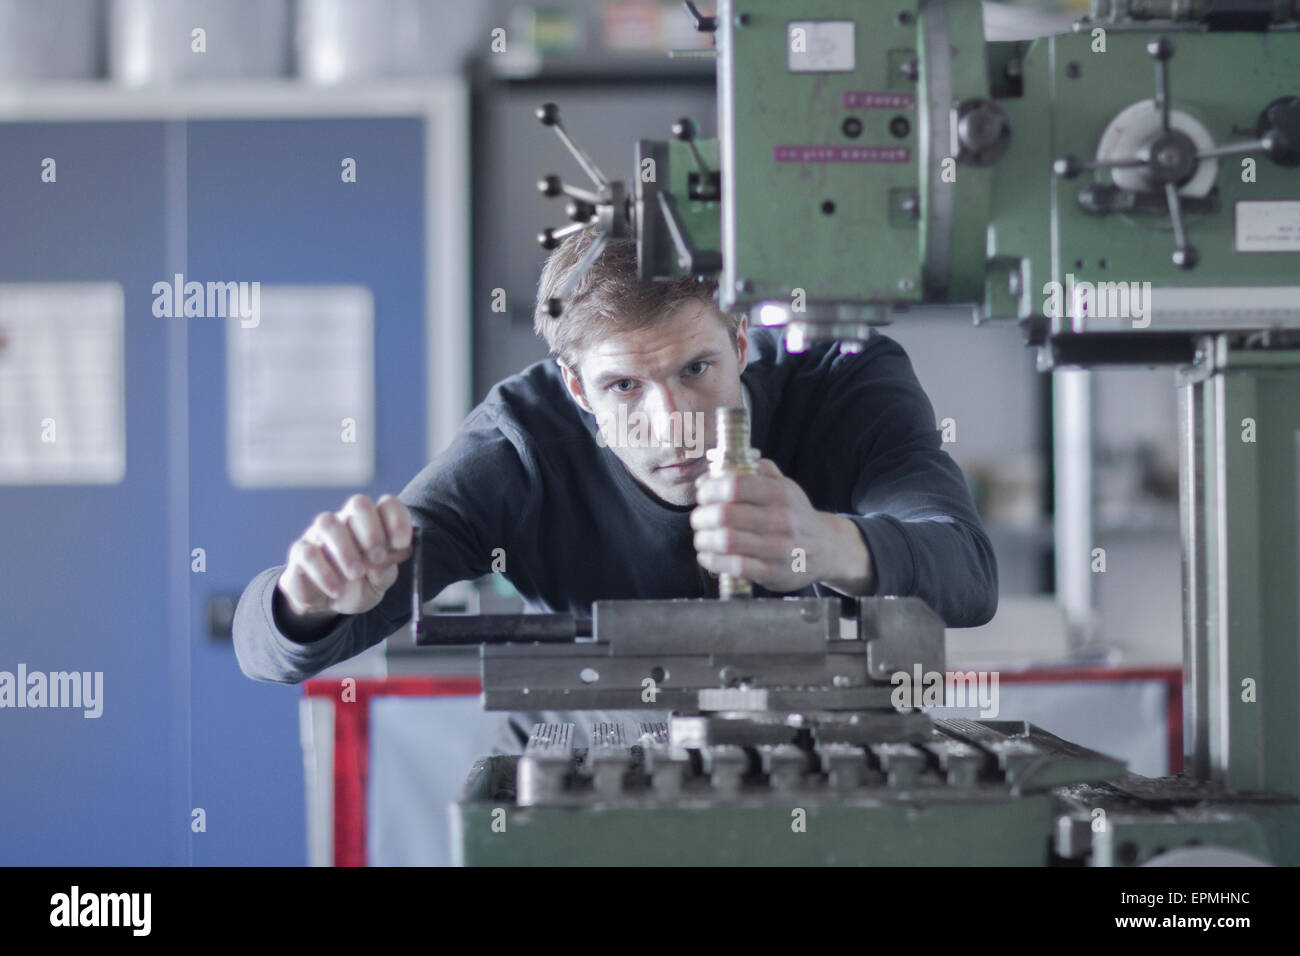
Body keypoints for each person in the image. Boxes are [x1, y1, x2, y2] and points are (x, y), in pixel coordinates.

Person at [232, 231, 998, 751]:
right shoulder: (521, 447)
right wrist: (312, 597)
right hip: (589, 786)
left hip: (832, 777)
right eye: (624, 386)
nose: (674, 426)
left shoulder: (844, 381)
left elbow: (966, 575)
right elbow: (266, 653)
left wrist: (826, 542)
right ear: (576, 388)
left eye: (696, 369)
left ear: (739, 340)